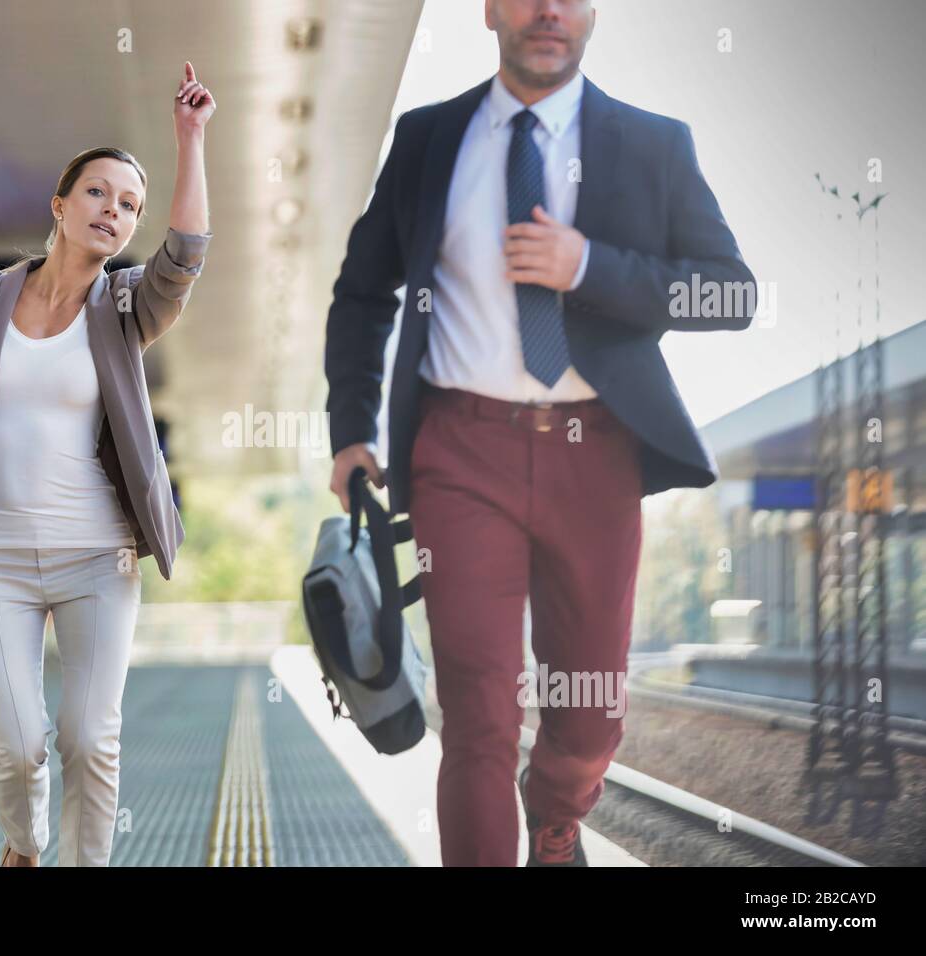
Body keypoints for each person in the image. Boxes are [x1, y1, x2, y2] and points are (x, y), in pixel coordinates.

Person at [324, 0, 756, 866]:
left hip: (596, 455)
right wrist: (350, 428)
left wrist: (588, 266)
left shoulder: (653, 143)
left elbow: (730, 293)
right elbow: (364, 288)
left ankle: (556, 814)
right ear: (490, 11)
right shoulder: (427, 139)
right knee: (479, 717)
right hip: (459, 453)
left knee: (590, 716)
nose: (548, 9)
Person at [0, 62, 214, 867]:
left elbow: (187, 252)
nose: (115, 211)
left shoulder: (127, 303)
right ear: (60, 205)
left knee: (91, 738)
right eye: (99, 193)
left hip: (98, 554)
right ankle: (24, 847)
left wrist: (189, 138)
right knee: (18, 742)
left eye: (129, 204)